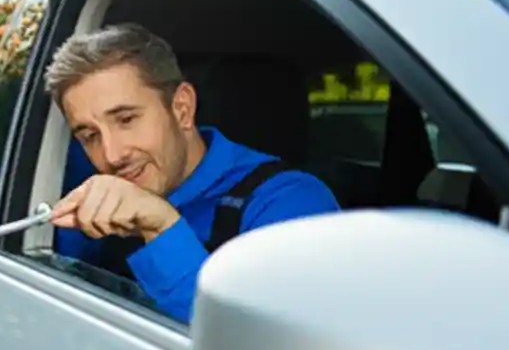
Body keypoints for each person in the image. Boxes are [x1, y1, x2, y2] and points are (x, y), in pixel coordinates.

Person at [45, 23, 340, 323]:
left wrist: (161, 229)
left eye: (126, 119)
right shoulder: (86, 195)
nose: (112, 155)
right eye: (89, 136)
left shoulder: (289, 203)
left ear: (182, 108)